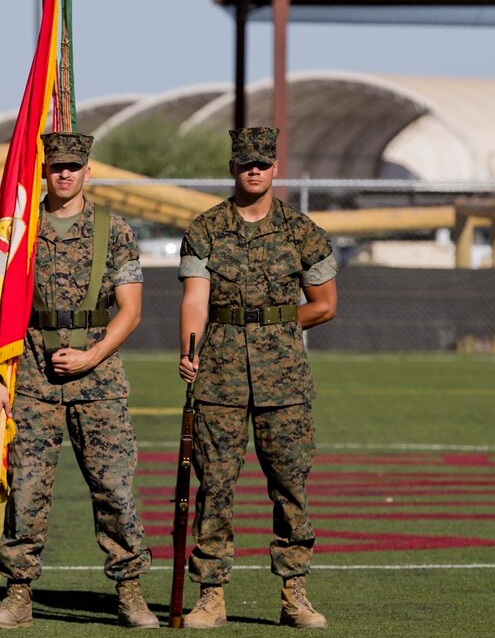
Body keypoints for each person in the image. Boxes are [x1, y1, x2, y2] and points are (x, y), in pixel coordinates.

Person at [0, 131, 159, 630]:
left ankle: (129, 592)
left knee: (115, 489)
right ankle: (18, 594)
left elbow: (131, 310)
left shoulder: (114, 229)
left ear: (88, 170)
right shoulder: (19, 229)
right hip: (32, 375)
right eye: (56, 165)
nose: (64, 173)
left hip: (99, 381)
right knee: (27, 491)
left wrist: (92, 355)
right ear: (44, 170)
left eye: (73, 166)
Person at [177, 127, 338, 630]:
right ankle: (211, 595)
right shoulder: (205, 229)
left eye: (263, 164)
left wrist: (277, 321)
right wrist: (190, 349)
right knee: (215, 485)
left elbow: (326, 305)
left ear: (274, 168)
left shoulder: (301, 231)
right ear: (233, 167)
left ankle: (294, 593)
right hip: (219, 374)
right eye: (246, 162)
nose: (254, 170)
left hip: (283, 378)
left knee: (290, 485)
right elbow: (195, 297)